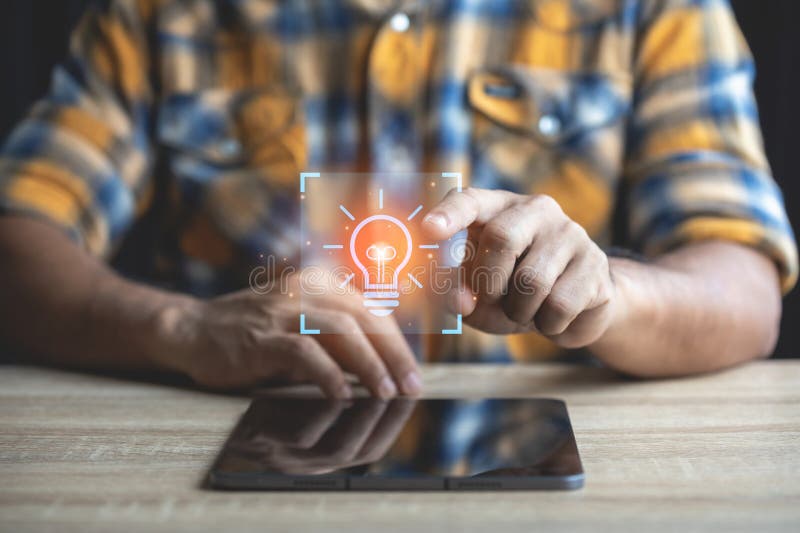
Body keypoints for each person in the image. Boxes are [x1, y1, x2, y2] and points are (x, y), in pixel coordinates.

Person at [0, 0, 796, 399]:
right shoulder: (156, 14)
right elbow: (20, 236)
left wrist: (608, 296)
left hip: (556, 448)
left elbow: (745, 285)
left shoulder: (655, 9)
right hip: (237, 447)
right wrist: (181, 327)